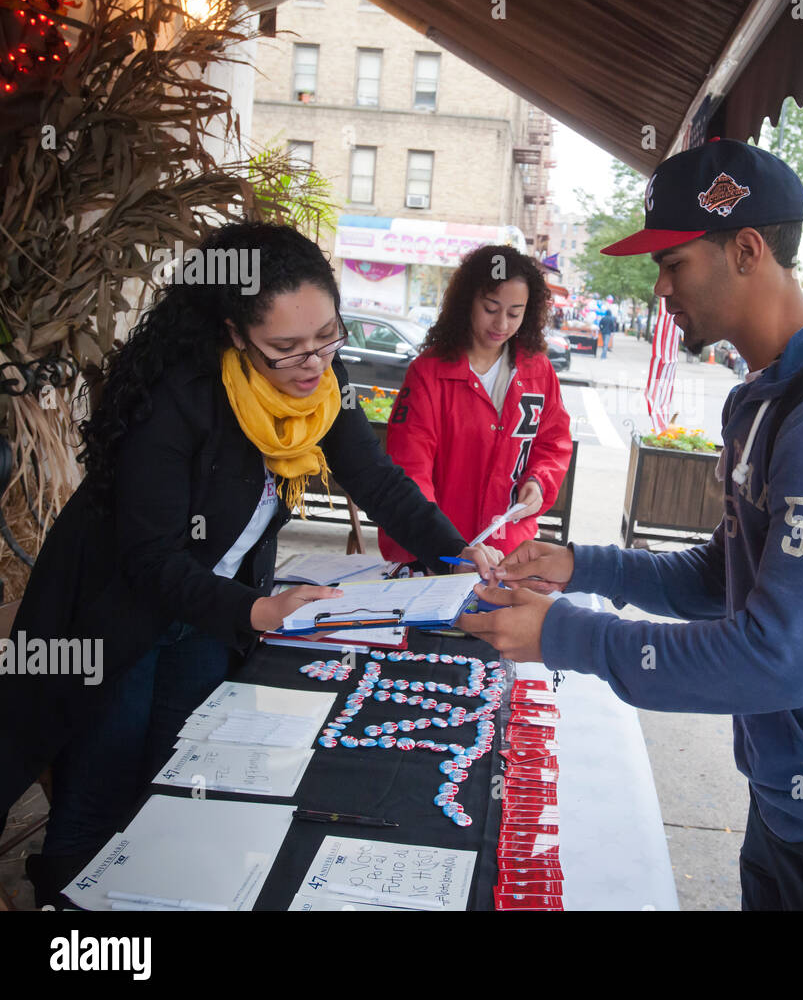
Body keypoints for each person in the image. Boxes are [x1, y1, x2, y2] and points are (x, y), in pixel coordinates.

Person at [460, 138, 803, 911]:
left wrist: (565, 635)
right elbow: (724, 578)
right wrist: (582, 566)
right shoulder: (771, 395)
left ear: (745, 250)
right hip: (794, 795)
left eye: (674, 262)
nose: (660, 286)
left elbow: (774, 659)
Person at [0, 223, 499, 906]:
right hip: (118, 616)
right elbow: (148, 559)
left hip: (210, 615)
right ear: (236, 332)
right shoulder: (181, 395)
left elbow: (378, 483)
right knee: (100, 800)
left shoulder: (325, 383)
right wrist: (258, 611)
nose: (313, 363)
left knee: (186, 782)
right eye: (286, 348)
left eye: (328, 336)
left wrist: (457, 554)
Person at [377, 246, 572, 563]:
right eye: (491, 308)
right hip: (440, 551)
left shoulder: (538, 370)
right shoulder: (429, 374)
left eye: (514, 313)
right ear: (467, 302)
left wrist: (538, 482)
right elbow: (411, 470)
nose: (501, 324)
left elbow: (553, 443)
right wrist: (442, 545)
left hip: (510, 550)